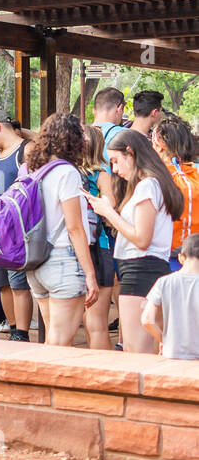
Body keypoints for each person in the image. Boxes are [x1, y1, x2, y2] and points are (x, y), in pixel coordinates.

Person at [85, 129, 182, 354]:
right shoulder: (151, 184)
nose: (115, 170)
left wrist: (109, 213)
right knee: (141, 349)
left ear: (131, 153)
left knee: (135, 352)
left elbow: (141, 238)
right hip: (142, 269)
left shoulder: (148, 185)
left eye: (117, 161)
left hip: (140, 270)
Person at [23, 114, 99, 346]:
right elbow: (75, 227)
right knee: (59, 343)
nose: (85, 138)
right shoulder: (67, 172)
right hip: (62, 261)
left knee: (53, 338)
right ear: (71, 139)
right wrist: (90, 273)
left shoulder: (32, 169)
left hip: (36, 262)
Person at [0, 108, 33, 340]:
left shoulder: (26, 150)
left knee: (19, 283)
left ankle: (22, 331)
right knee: (2, 284)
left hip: (16, 231)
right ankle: (12, 327)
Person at [78, 124, 116, 350]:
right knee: (97, 321)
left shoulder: (66, 172)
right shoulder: (102, 175)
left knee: (87, 318)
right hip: (99, 247)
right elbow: (109, 209)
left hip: (75, 248)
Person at [151, 114, 199, 272]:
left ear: (159, 144)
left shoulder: (155, 177)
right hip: (194, 255)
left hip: (164, 258)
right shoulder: (196, 173)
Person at [143, 232, 199, 358]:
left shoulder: (163, 282)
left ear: (181, 257)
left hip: (172, 353)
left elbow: (146, 319)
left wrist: (164, 340)